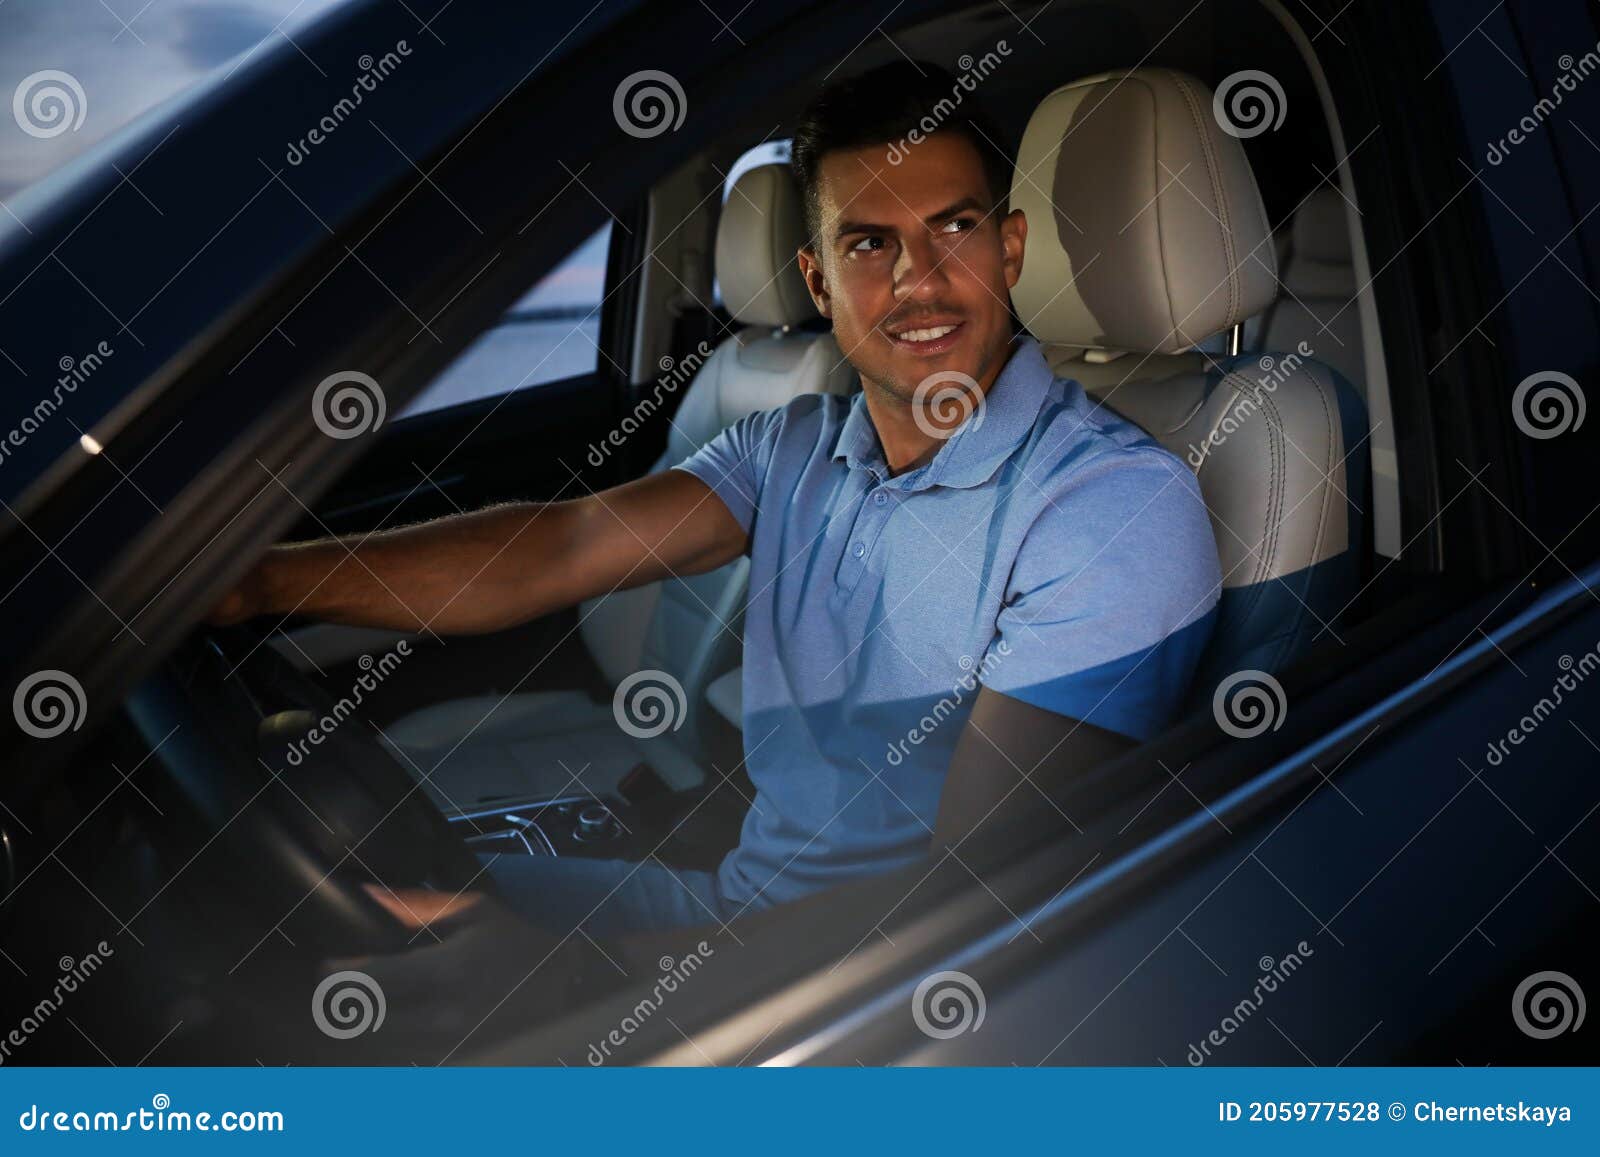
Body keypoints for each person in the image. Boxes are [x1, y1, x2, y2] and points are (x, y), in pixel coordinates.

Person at [210, 61, 1223, 940]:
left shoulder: (1109, 508)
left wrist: (551, 963)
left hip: (867, 989)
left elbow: (972, 904)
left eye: (951, 229)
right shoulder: (792, 444)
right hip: (734, 912)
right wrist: (257, 581)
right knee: (310, 910)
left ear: (1009, 249)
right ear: (816, 280)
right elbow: (557, 550)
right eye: (868, 243)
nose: (919, 280)